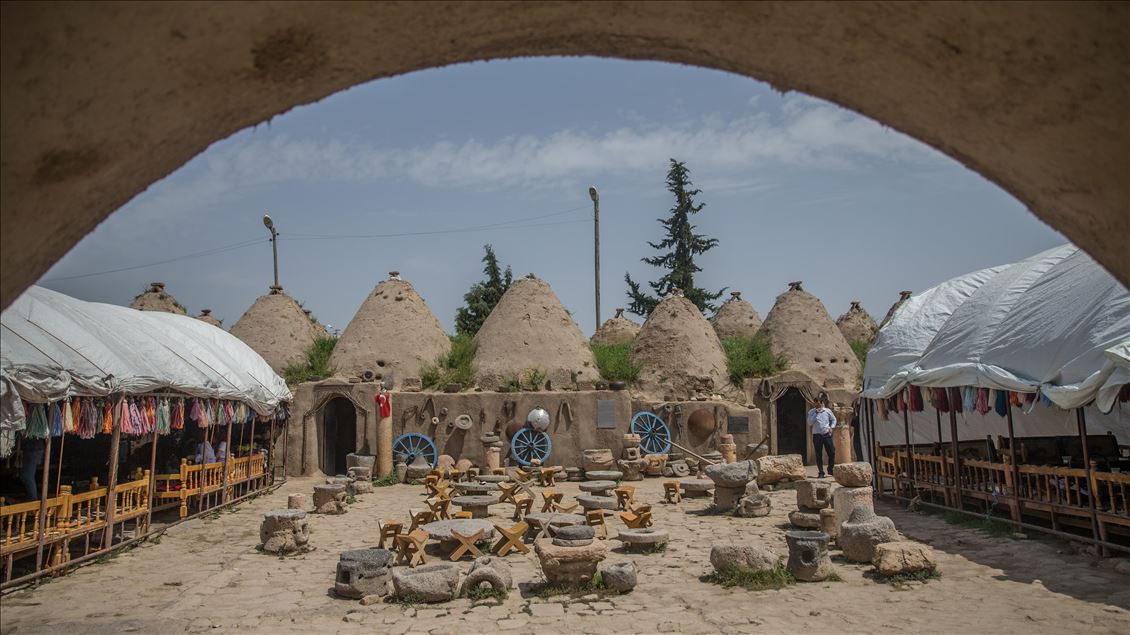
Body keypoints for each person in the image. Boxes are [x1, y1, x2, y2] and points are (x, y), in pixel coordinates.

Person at [807, 396, 837, 478]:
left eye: (819, 405)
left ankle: (830, 469)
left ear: (822, 403)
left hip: (826, 434)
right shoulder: (811, 412)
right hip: (817, 435)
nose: (817, 406)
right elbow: (810, 422)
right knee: (818, 454)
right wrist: (816, 413)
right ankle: (821, 472)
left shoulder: (827, 411)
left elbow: (833, 419)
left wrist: (831, 427)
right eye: (816, 405)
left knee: (832, 452)